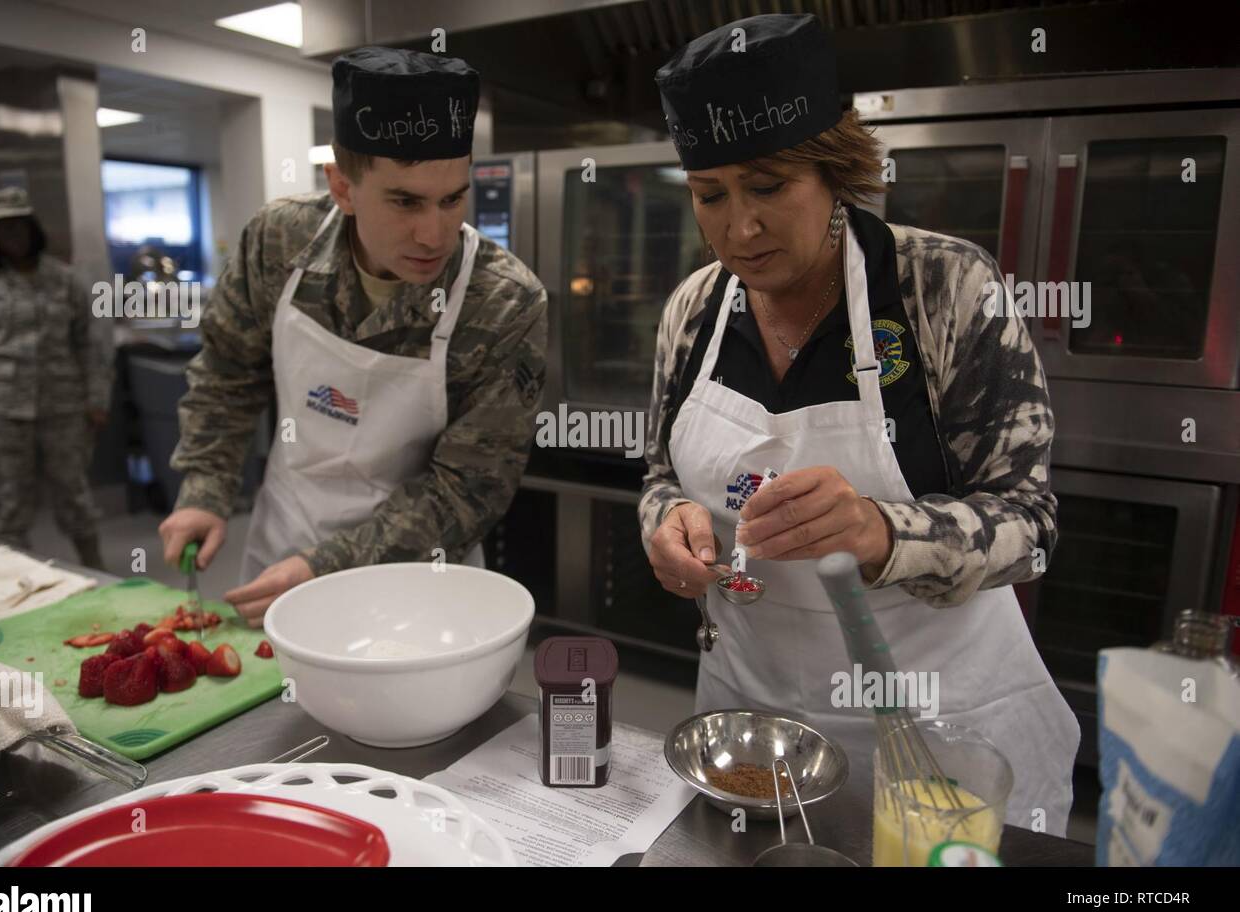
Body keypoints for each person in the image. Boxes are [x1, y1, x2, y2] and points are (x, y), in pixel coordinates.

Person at [640, 13, 1079, 832]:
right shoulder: (693, 310)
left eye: (768, 186)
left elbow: (1032, 525)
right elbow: (661, 475)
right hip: (754, 728)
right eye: (710, 195)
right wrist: (667, 522)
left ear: (835, 172)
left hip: (940, 729)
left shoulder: (945, 288)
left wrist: (883, 532)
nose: (739, 227)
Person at [160, 47, 548, 626]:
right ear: (342, 186)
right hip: (283, 546)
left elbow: (469, 487)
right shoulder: (279, 241)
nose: (434, 233)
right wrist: (206, 485)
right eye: (405, 201)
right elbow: (228, 371)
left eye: (452, 199)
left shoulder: (502, 300)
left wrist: (329, 565)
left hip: (421, 573)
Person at [0, 187, 112, 568]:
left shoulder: (64, 280)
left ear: (32, 228)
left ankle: (96, 569)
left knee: (74, 494)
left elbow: (90, 344)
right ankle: (11, 576)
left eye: (19, 226)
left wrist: (97, 399)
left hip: (62, 404)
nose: (13, 236)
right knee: (9, 502)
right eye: (2, 229)